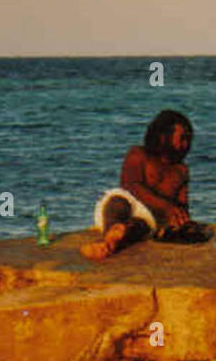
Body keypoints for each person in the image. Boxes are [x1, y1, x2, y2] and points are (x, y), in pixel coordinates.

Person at [81, 110, 207, 260]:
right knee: (118, 203)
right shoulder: (139, 154)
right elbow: (130, 185)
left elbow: (182, 206)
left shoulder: (181, 170)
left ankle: (111, 242)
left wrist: (180, 218)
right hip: (125, 204)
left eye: (189, 140)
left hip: (149, 218)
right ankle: (111, 233)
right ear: (164, 137)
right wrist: (167, 207)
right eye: (182, 138)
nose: (186, 145)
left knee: (139, 226)